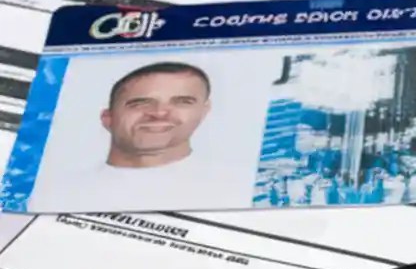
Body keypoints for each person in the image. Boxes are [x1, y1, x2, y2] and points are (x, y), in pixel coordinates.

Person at [29, 61, 251, 212]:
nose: (159, 113)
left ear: (204, 111)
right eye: (141, 103)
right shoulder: (51, 197)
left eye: (182, 102)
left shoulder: (242, 191)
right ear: (108, 118)